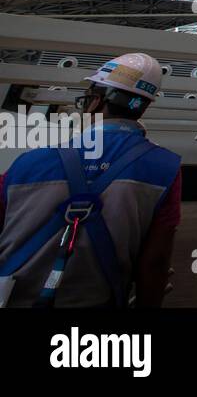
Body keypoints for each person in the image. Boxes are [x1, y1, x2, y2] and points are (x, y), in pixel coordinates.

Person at [0, 53, 182, 308]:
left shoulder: (27, 163)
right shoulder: (165, 168)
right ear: (144, 105)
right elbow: (156, 261)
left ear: (95, 101)